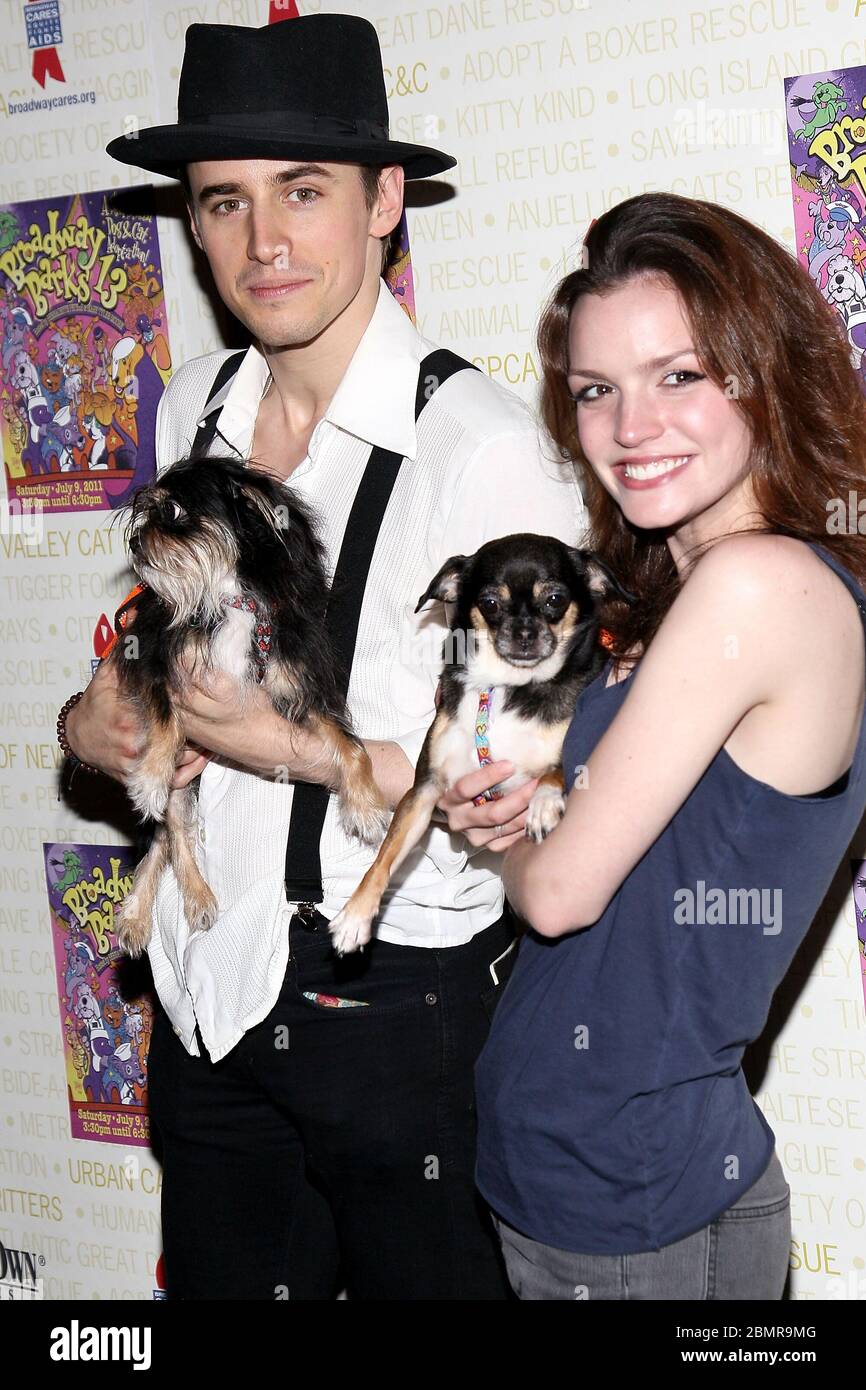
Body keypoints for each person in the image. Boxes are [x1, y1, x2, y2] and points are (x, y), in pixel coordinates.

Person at [59, 15, 586, 1299]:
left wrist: (288, 746)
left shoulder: (483, 449)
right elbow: (147, 664)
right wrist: (101, 720)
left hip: (392, 1012)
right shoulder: (193, 408)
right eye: (222, 202)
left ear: (385, 201)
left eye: (303, 193)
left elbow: (510, 784)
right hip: (201, 993)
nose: (264, 243)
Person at [473, 191, 866, 1300]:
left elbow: (555, 894)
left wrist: (494, 824)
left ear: (762, 370)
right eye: (595, 390)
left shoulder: (755, 583)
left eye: (677, 376)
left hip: (630, 1204)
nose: (629, 427)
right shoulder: (688, 586)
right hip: (607, 1184)